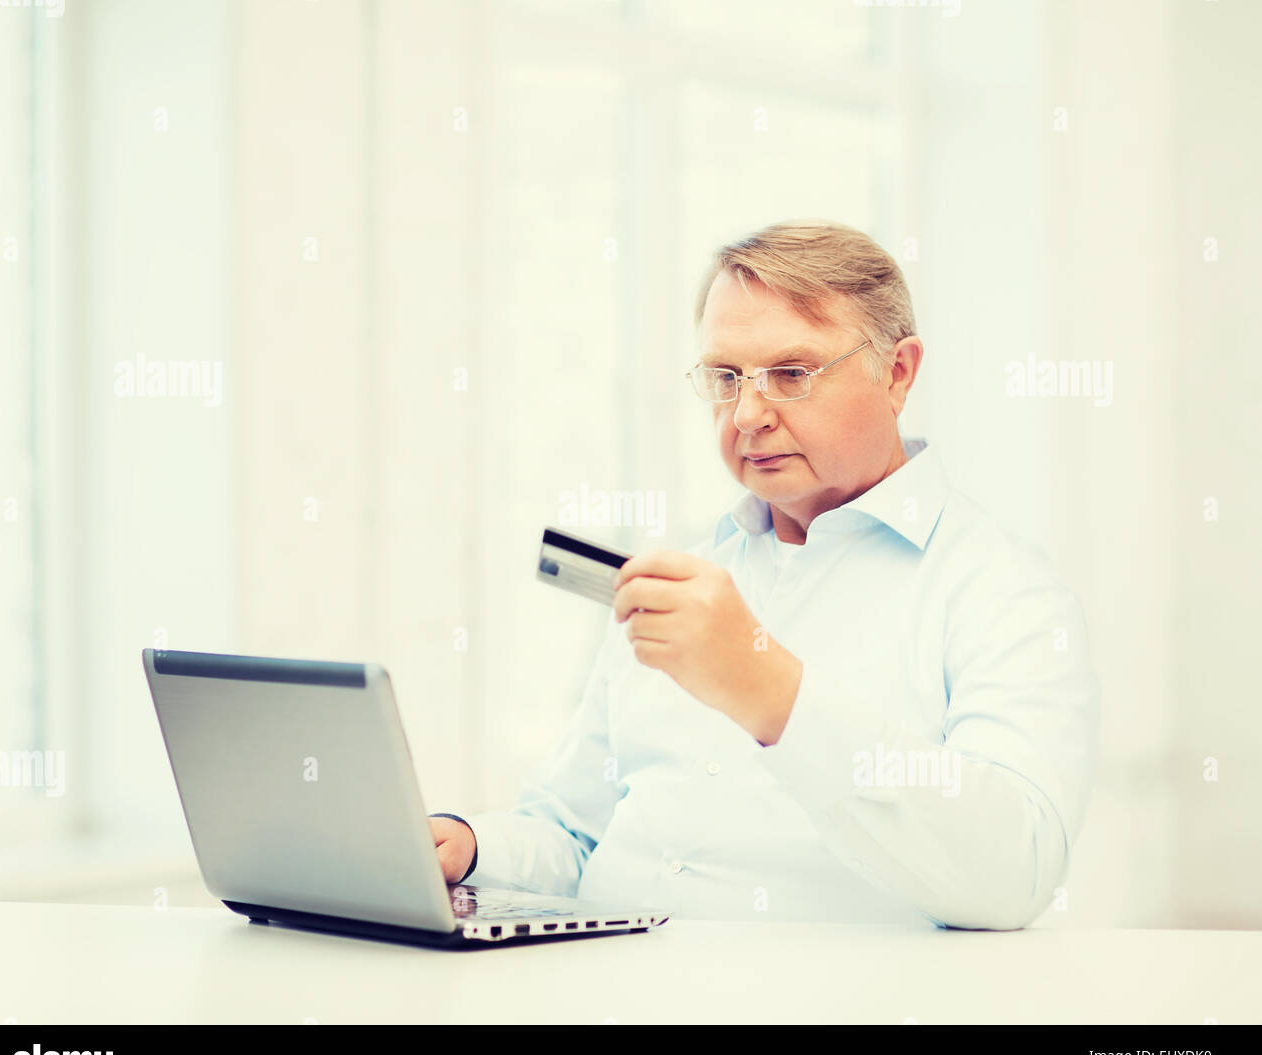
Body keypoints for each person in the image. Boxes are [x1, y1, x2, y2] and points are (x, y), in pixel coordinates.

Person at [429, 219, 1098, 929]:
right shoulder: (691, 577)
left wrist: (772, 694)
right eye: (726, 377)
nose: (748, 414)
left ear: (897, 373)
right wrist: (467, 847)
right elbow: (573, 830)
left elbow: (1012, 876)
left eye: (792, 374)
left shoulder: (1003, 590)